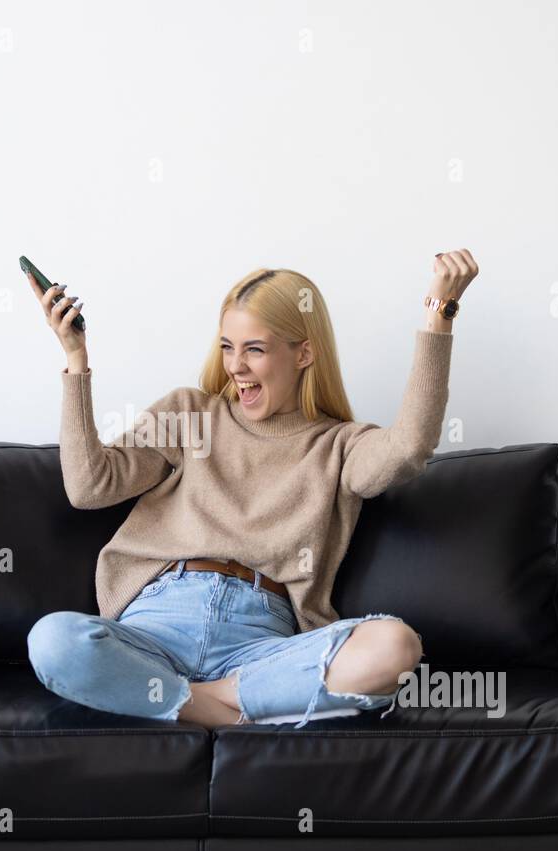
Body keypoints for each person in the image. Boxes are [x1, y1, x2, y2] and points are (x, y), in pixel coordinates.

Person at [25, 252, 478, 729]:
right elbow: (89, 487)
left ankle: (179, 701)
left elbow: (408, 448)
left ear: (303, 353)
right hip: (154, 629)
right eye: (227, 347)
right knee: (53, 640)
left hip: (261, 645)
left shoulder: (340, 446)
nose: (236, 367)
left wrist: (439, 312)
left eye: (255, 350)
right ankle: (230, 708)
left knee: (395, 646)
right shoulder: (190, 414)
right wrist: (76, 360)